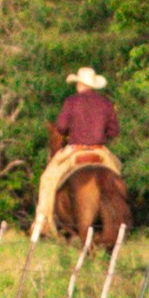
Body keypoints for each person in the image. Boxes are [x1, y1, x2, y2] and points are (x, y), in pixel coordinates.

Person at [34, 68, 118, 237]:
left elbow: (61, 127)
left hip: (75, 151)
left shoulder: (71, 101)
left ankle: (43, 223)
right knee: (117, 175)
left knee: (47, 179)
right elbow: (114, 131)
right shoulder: (106, 103)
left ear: (80, 84)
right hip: (100, 151)